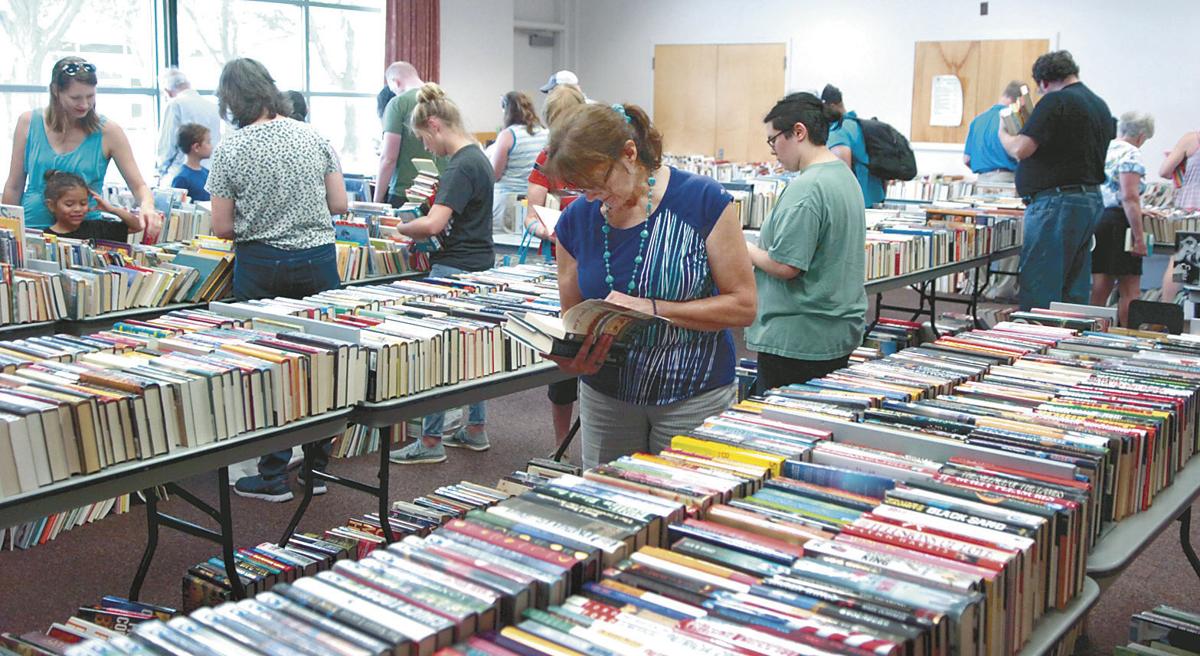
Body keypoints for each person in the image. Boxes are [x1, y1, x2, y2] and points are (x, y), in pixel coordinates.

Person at [542, 102, 757, 469]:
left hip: (693, 392)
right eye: (581, 188)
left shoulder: (703, 201)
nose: (591, 197)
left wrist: (656, 309)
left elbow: (743, 305)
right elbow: (572, 317)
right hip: (607, 397)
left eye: (599, 183)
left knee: (686, 511)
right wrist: (569, 352)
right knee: (608, 509)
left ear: (629, 153)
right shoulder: (577, 219)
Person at [205, 58, 348, 502]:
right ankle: (318, 470)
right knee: (324, 361)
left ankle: (271, 475)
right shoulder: (314, 136)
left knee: (266, 366)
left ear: (230, 101)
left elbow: (222, 227)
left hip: (261, 263)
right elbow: (340, 203)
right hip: (318, 260)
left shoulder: (231, 148)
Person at [388, 83, 496, 466]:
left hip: (454, 270)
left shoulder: (459, 166)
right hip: (480, 264)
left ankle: (431, 440)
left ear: (434, 125)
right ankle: (476, 428)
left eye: (423, 139)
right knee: (472, 352)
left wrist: (398, 228)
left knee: (441, 355)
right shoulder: (479, 157)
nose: (426, 147)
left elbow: (434, 224)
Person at [745, 93, 867, 394]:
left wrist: (743, 247)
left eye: (773, 140)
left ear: (798, 132)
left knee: (779, 425)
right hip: (835, 330)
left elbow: (786, 265)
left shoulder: (807, 187)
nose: (773, 152)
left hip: (798, 336)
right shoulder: (844, 175)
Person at [998, 50, 1114, 311]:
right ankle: (1066, 345)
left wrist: (1004, 133)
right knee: (1074, 285)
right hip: (1089, 198)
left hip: (1056, 202)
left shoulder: (1055, 102)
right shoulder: (1099, 104)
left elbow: (1021, 149)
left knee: (1042, 282)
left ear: (1044, 82)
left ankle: (1036, 343)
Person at [3, 56, 163, 235]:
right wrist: (8, 231)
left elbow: (139, 186)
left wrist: (147, 207)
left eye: (90, 96)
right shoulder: (28, 122)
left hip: (84, 235)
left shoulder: (109, 131)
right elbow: (14, 185)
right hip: (31, 229)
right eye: (76, 97)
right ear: (56, 91)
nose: (85, 104)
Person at [523, 84, 587, 447]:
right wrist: (548, 230)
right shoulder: (546, 158)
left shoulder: (594, 155)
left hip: (594, 264)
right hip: (558, 265)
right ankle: (561, 444)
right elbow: (532, 215)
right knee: (563, 359)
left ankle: (589, 437)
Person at [1090, 112, 1154, 326]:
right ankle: (1127, 336)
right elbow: (1129, 196)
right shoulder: (1132, 153)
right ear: (1141, 135)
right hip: (1120, 223)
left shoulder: (1105, 148)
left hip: (1099, 219)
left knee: (1100, 285)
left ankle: (1090, 332)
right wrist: (1139, 238)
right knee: (1130, 289)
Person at [374, 61, 441, 206]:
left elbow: (388, 158)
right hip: (442, 192)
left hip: (407, 192)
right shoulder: (445, 100)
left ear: (395, 82)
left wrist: (376, 202)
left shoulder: (398, 103)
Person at [489, 91, 548, 233]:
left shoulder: (509, 135)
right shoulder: (546, 133)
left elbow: (494, 174)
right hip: (535, 202)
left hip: (507, 204)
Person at [823, 84, 886, 208]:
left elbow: (841, 175)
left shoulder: (840, 131)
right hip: (875, 196)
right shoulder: (856, 125)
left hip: (858, 201)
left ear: (832, 106)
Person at [155, 68, 222, 183]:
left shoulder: (175, 104)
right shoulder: (213, 107)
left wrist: (160, 173)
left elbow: (167, 146)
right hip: (209, 174)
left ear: (167, 91)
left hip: (181, 174)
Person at [1157, 130, 1200, 303]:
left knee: (1181, 263)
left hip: (1191, 209)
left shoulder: (1192, 139)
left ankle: (1167, 311)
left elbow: (1164, 171)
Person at [41, 169, 139, 241]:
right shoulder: (46, 237)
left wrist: (112, 209)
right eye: (69, 204)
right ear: (51, 206)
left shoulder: (98, 228)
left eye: (83, 203)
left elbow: (137, 226)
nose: (78, 209)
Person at [964, 81, 1023, 184]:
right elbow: (1021, 152)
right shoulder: (1014, 119)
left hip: (981, 181)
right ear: (1019, 101)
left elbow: (967, 159)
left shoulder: (977, 121)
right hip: (1007, 179)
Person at [169, 123, 212, 201]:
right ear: (196, 147)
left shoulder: (207, 173)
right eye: (208, 142)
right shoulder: (181, 178)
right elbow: (177, 207)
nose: (211, 146)